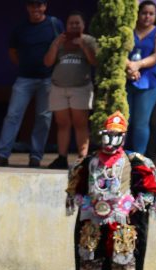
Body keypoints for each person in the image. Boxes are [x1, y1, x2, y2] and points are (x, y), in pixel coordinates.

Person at [67, 111, 156, 270]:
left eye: (116, 135)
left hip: (120, 212)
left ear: (123, 137)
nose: (110, 140)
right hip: (94, 210)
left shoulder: (133, 161)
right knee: (88, 246)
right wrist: (82, 201)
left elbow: (150, 187)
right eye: (108, 134)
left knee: (122, 247)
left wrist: (136, 204)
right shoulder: (90, 161)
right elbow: (77, 186)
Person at [0, 1, 63, 168]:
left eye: (39, 5)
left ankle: (36, 157)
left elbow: (62, 47)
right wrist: (24, 65)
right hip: (24, 78)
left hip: (48, 79)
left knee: (44, 118)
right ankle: (2, 155)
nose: (35, 9)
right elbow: (12, 52)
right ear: (27, 7)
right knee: (13, 115)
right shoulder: (20, 28)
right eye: (32, 5)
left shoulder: (54, 24)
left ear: (45, 6)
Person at [44, 11, 97, 169]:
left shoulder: (89, 40)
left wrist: (84, 46)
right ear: (66, 25)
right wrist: (55, 45)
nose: (74, 26)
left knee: (80, 123)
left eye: (77, 23)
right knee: (62, 124)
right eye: (71, 23)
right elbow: (47, 62)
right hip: (58, 87)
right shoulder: (59, 40)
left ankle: (82, 158)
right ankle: (62, 157)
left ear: (83, 25)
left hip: (80, 87)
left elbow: (95, 61)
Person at [126, 1, 156, 155]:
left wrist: (138, 65)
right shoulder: (129, 30)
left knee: (140, 122)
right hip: (126, 79)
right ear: (137, 14)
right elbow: (120, 51)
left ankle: (138, 157)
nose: (147, 16)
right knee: (124, 122)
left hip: (148, 83)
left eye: (151, 14)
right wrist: (129, 66)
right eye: (144, 13)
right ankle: (120, 156)